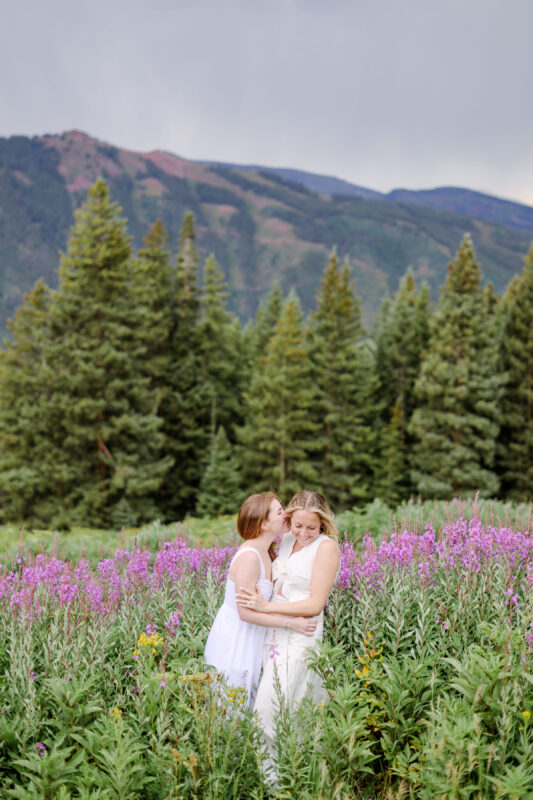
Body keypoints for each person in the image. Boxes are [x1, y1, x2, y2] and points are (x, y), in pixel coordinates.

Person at [236, 490, 339, 760]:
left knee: (272, 712)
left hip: (301, 635)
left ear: (322, 524)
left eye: (312, 527)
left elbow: (315, 605)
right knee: (285, 710)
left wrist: (265, 606)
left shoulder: (325, 547)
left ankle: (286, 779)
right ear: (289, 519)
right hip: (275, 634)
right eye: (298, 525)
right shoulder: (286, 541)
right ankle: (282, 779)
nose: (304, 532)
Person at [204, 491, 317, 706]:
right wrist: (292, 623)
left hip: (253, 638)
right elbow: (245, 613)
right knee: (231, 705)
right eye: (279, 512)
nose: (286, 515)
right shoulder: (249, 558)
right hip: (236, 640)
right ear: (264, 524)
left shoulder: (267, 550)